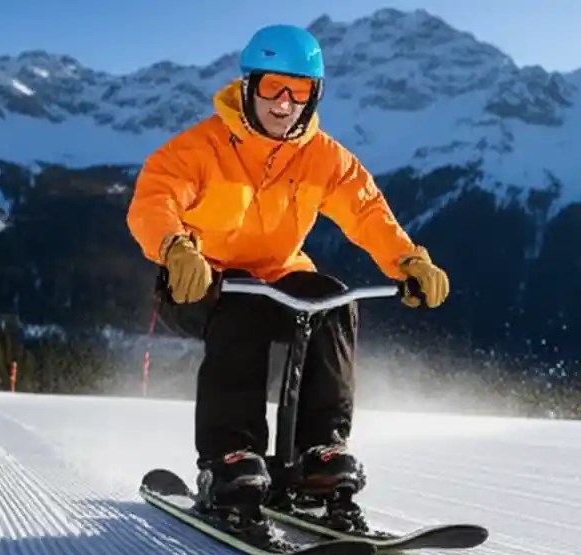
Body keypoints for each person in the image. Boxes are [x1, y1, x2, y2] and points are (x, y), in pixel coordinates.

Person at [126, 24, 450, 528]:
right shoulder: (202, 148)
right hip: (200, 281)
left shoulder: (324, 157)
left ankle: (316, 456)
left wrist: (408, 261)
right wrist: (175, 247)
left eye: (299, 91)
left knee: (332, 302)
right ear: (249, 87)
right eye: (274, 87)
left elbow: (367, 213)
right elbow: (154, 200)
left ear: (313, 95)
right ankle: (229, 460)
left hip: (278, 280)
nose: (284, 103)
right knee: (243, 311)